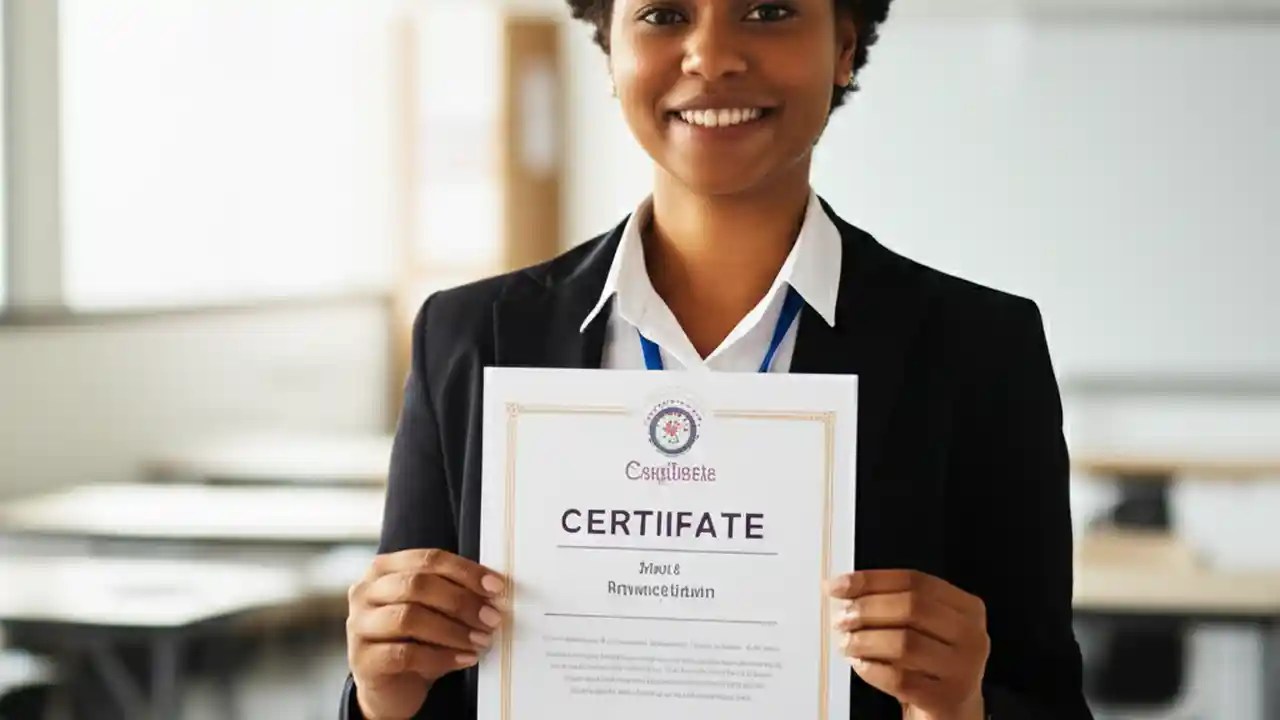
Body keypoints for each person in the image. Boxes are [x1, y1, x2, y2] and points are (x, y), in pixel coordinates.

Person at [341, 0, 1093, 718]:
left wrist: (959, 710)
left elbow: (1046, 697)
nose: (711, 55)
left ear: (843, 45)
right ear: (610, 49)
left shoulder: (981, 350)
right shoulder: (470, 338)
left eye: (768, 12)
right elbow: (425, 690)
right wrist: (381, 700)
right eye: (664, 16)